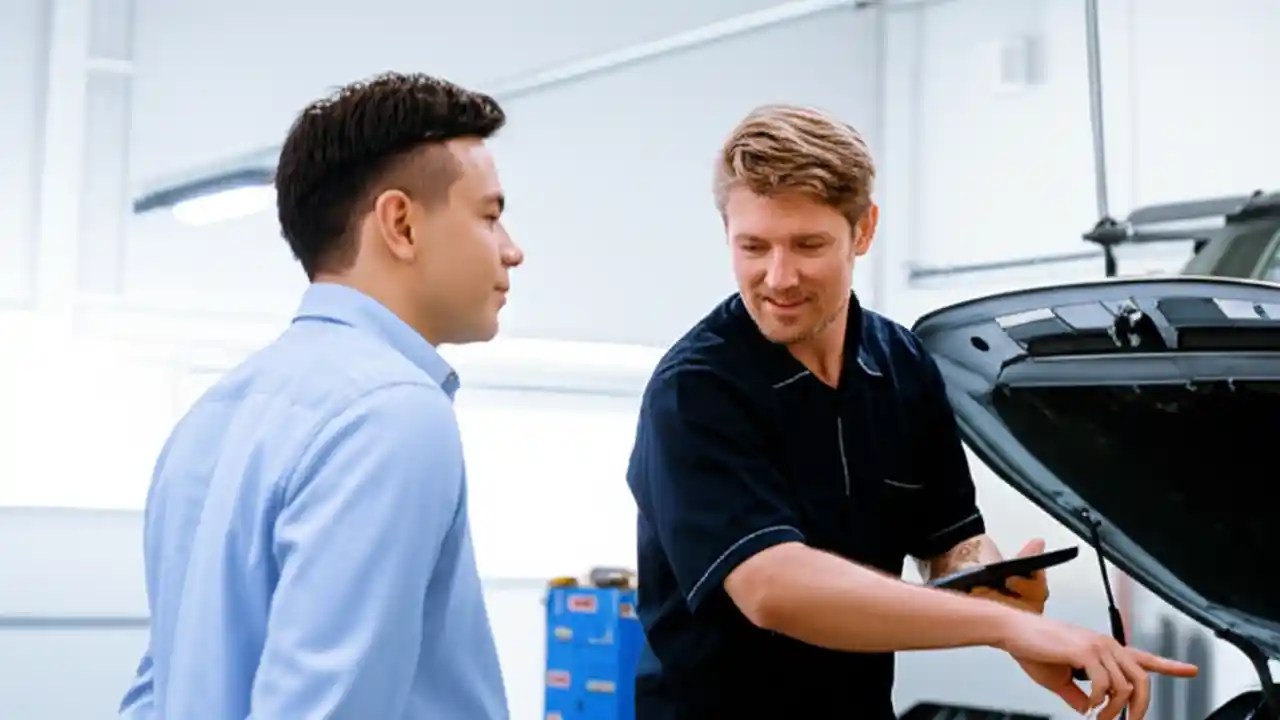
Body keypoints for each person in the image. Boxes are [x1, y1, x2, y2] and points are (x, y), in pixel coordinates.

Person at [624, 104, 1196, 720]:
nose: (778, 277)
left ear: (863, 231)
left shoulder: (902, 366)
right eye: (753, 247)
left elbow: (948, 541)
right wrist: (997, 628)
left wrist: (993, 584)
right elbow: (772, 587)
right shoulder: (697, 389)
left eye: (808, 245)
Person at [118, 72, 523, 719]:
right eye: (491, 216)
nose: (512, 251)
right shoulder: (393, 413)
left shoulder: (211, 415)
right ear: (401, 224)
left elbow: (155, 693)